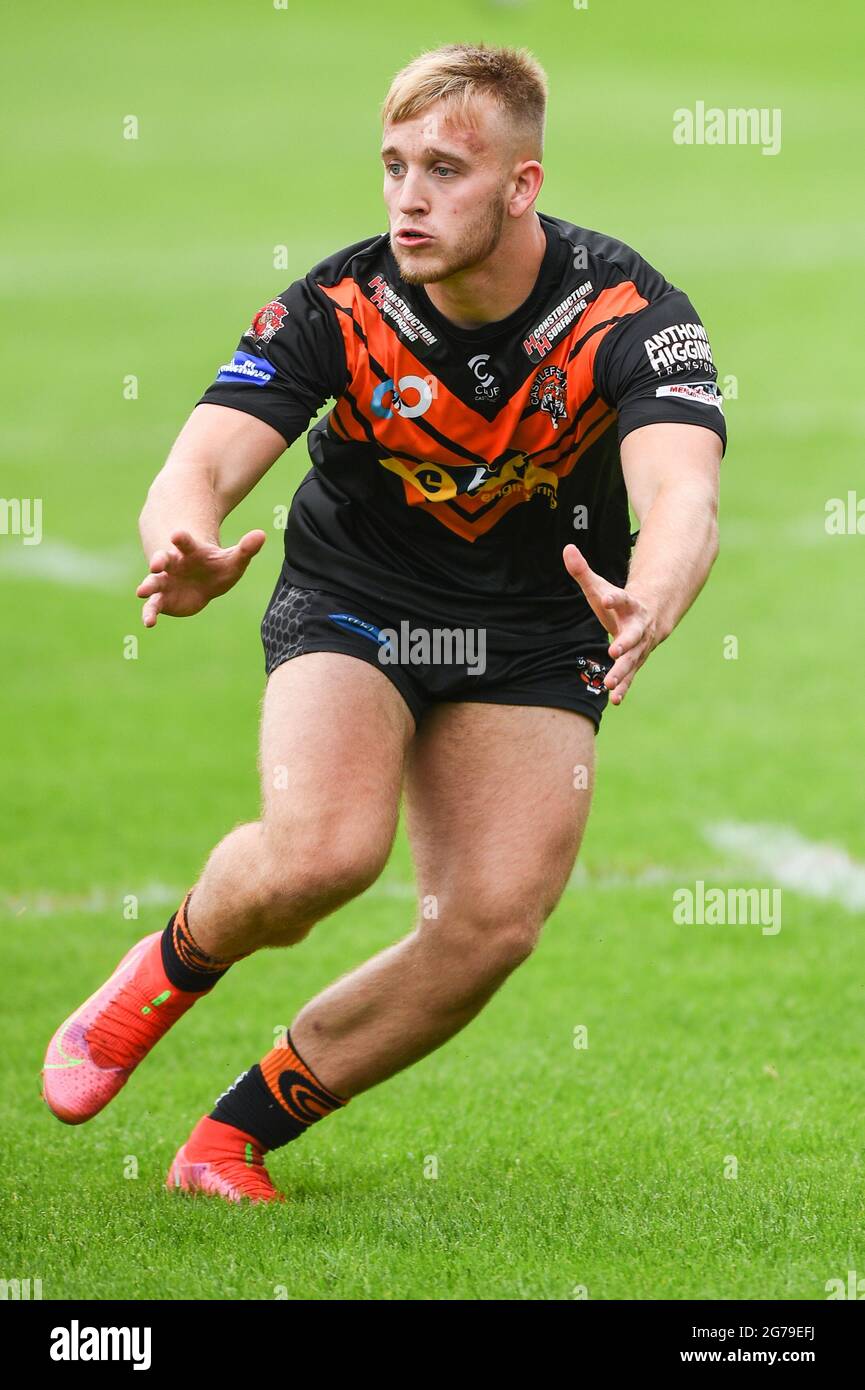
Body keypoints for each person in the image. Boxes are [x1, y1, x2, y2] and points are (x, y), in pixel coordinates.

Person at [42, 43, 725, 1203]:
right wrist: (183, 539)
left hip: (535, 625)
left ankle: (228, 1139)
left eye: (445, 170)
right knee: (323, 855)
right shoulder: (340, 303)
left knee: (490, 924)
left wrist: (649, 596)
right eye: (394, 165)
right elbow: (197, 462)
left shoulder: (627, 311)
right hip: (360, 595)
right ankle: (163, 969)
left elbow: (682, 494)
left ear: (522, 185)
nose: (409, 197)